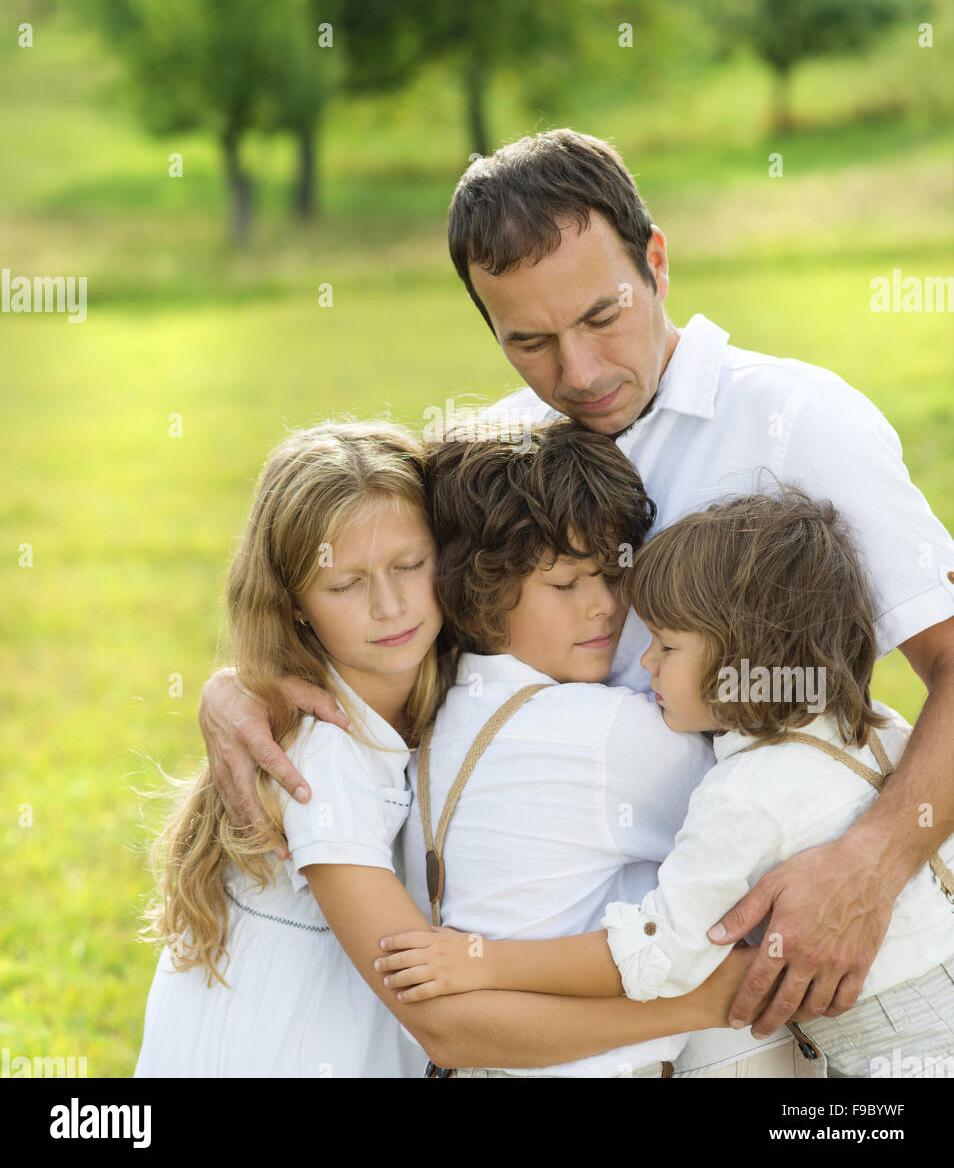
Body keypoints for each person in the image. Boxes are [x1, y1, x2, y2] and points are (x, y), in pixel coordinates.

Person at [197, 129, 954, 1075]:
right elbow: (363, 585)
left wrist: (872, 866)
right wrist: (240, 683)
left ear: (659, 262)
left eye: (604, 316)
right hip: (585, 1017)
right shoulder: (501, 455)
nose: (581, 373)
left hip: (764, 999)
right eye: (530, 342)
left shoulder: (801, 420)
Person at [135, 420, 753, 1076]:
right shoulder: (320, 760)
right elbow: (444, 1026)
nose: (390, 606)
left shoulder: (442, 694)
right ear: (293, 603)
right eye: (345, 585)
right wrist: (701, 1003)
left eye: (410, 566)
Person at [375, 490, 954, 1079]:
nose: (645, 662)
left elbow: (666, 951)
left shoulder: (740, 795)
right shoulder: (880, 723)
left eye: (668, 646)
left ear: (744, 663)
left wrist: (485, 963)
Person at [385, 420, 818, 1078]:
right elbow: (776, 817)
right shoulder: (605, 732)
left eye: (613, 574)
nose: (604, 608)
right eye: (564, 586)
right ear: (474, 599)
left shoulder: (431, 720)